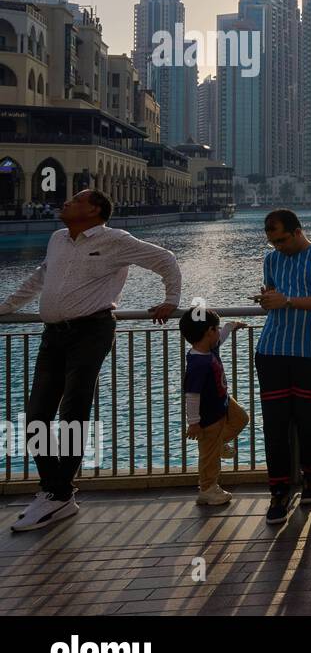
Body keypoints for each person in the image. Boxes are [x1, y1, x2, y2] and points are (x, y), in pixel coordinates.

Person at [3, 190, 180, 532]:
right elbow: (39, 278)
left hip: (91, 332)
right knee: (36, 414)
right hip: (53, 335)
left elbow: (166, 259)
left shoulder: (115, 239)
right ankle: (57, 491)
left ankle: (56, 495)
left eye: (75, 200)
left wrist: (170, 298)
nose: (66, 203)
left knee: (73, 410)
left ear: (94, 209)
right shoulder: (57, 238)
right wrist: (6, 306)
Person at [253, 209, 311, 526]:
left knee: (307, 419)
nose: (278, 246)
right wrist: (269, 300)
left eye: (281, 239)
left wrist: (287, 301)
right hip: (271, 349)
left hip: (309, 351)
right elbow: (273, 297)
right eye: (272, 241)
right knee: (275, 424)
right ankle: (278, 490)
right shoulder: (271, 260)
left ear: (297, 231)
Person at [179, 308, 250, 506]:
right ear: (209, 331)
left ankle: (219, 444)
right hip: (208, 416)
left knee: (241, 419)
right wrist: (193, 423)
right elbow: (191, 396)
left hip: (223, 403)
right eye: (217, 329)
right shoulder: (197, 364)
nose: (219, 332)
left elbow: (222, 337)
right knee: (209, 457)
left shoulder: (210, 348)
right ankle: (208, 489)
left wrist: (231, 326)